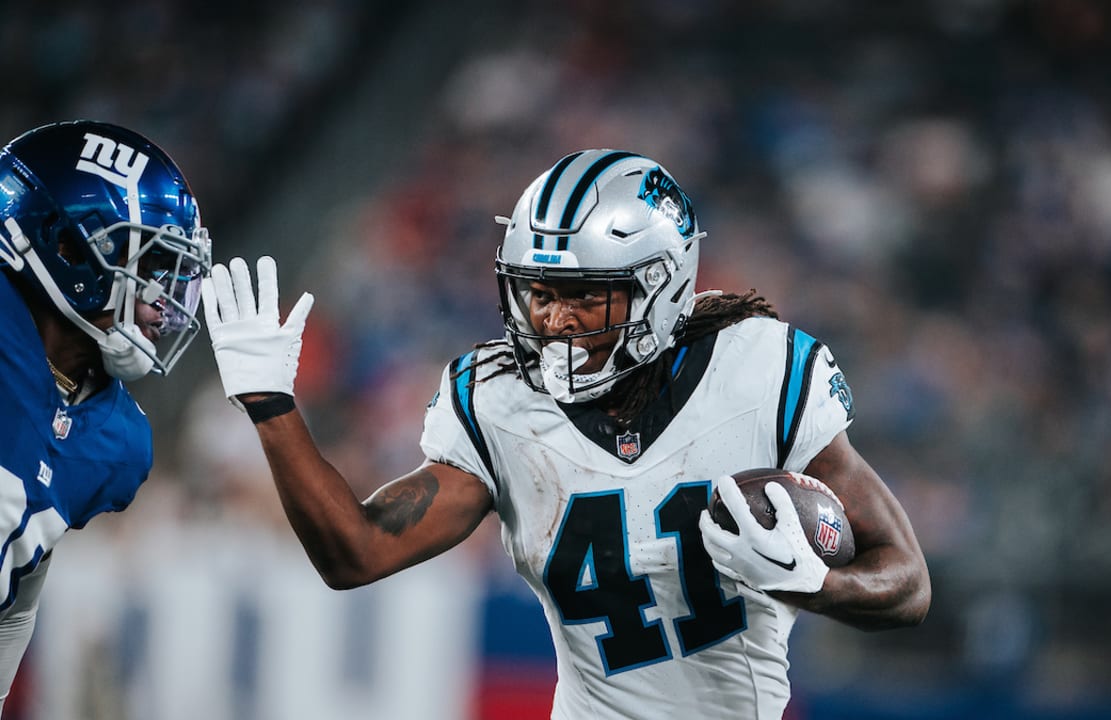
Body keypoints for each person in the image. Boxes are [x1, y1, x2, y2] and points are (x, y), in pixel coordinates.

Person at [203, 149, 930, 719]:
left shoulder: (760, 370)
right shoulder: (498, 401)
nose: (554, 320)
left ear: (663, 285)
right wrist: (271, 406)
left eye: (585, 296)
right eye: (541, 293)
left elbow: (908, 583)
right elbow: (355, 554)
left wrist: (817, 583)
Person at [0, 120, 212, 713]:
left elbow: (16, 593)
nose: (162, 303)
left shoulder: (118, 443)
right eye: (150, 266)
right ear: (65, 246)